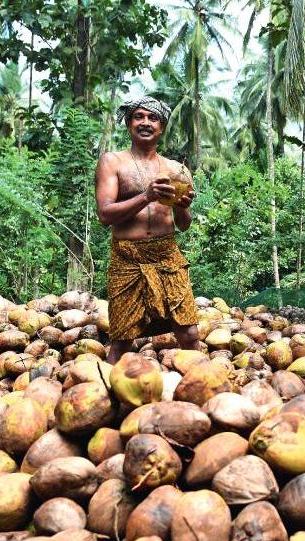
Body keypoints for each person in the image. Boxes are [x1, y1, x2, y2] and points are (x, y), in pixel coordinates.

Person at [95, 96, 200, 363]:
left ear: (161, 127)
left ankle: (202, 388)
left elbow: (184, 225)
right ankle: (109, 397)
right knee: (121, 340)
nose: (145, 122)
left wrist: (181, 206)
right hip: (127, 258)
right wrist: (146, 196)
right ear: (129, 123)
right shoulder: (113, 162)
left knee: (188, 332)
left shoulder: (177, 170)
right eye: (139, 117)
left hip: (167, 256)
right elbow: (105, 214)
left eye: (152, 118)